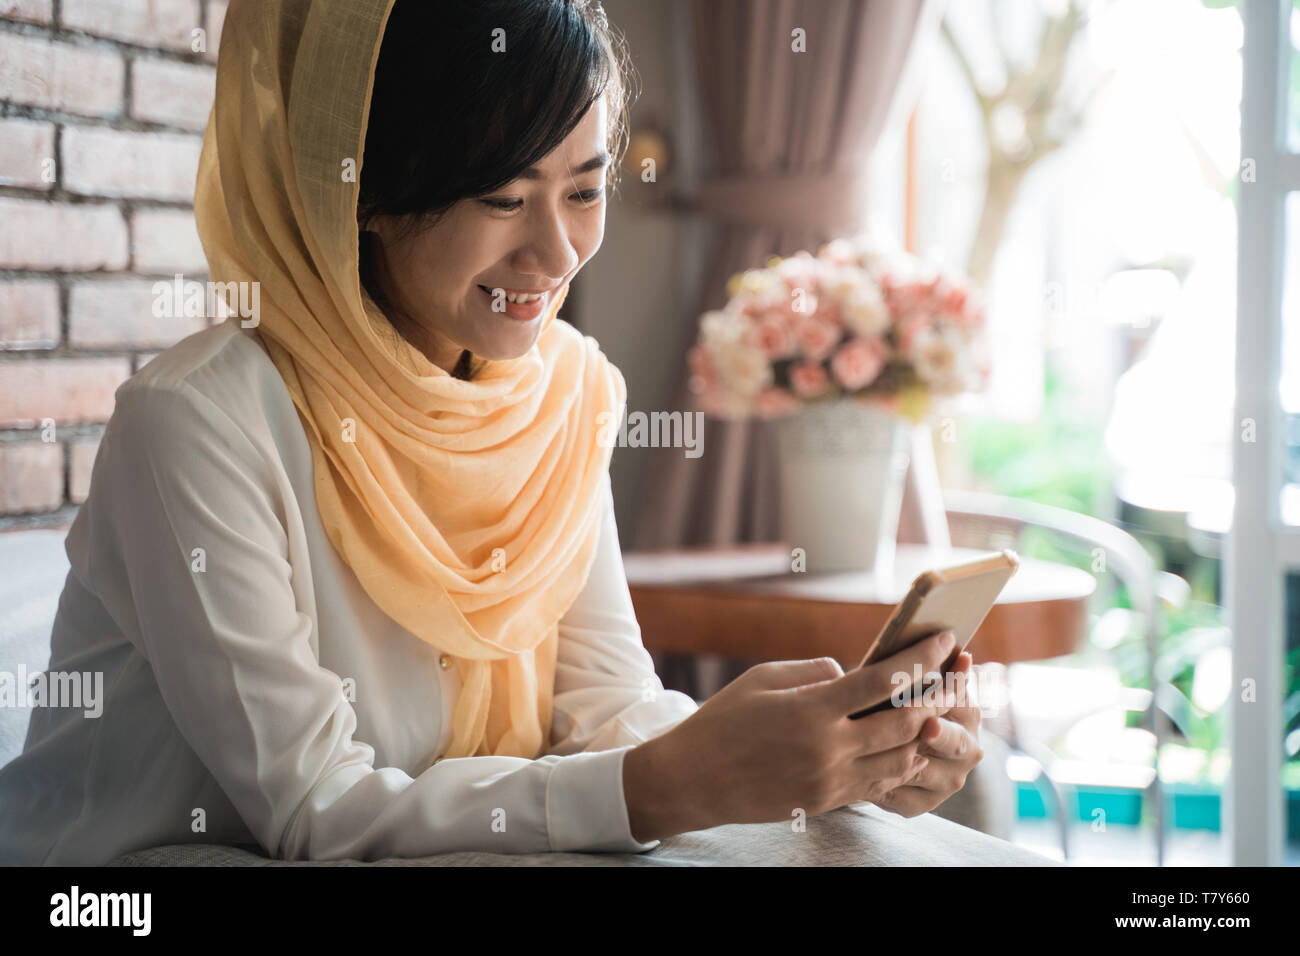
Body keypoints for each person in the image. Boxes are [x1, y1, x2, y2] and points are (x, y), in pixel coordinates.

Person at [0, 0, 982, 866]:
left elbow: (608, 710)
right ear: (367, 194)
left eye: (585, 190)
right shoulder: (198, 422)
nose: (556, 251)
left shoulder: (559, 393)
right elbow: (314, 804)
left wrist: (819, 753)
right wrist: (663, 785)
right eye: (502, 196)